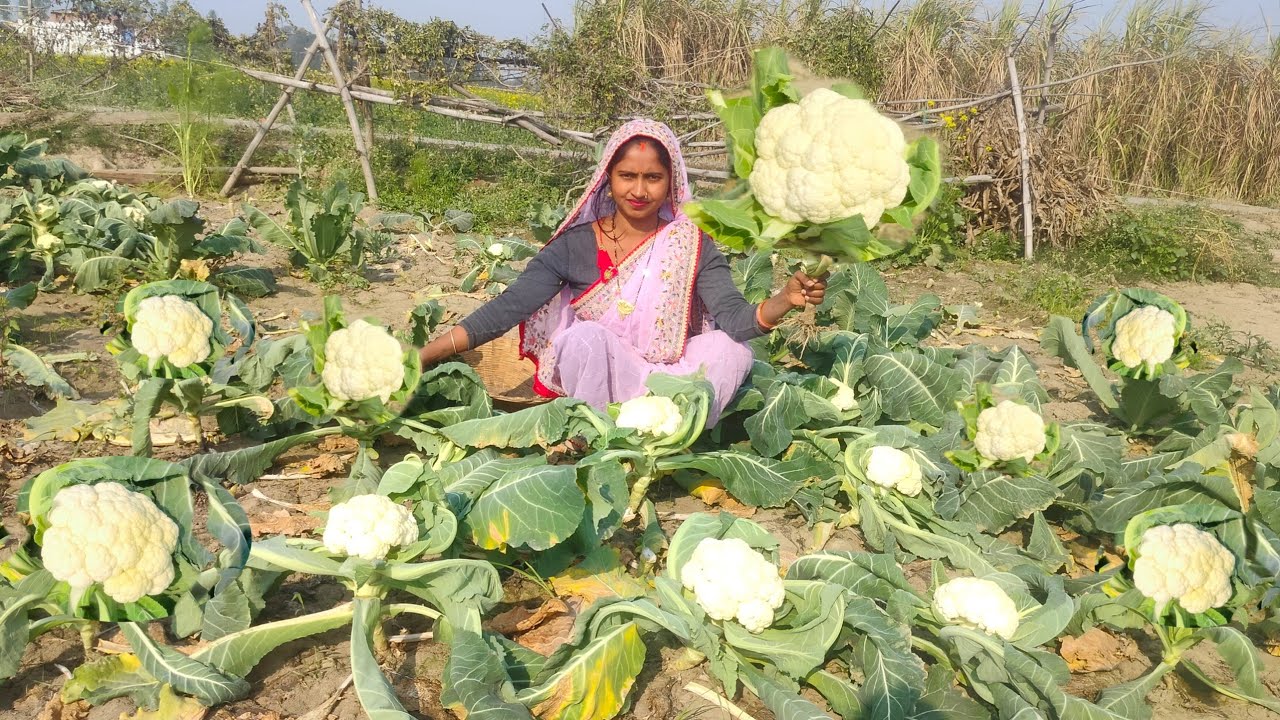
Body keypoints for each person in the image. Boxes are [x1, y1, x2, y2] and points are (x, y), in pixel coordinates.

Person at [417, 119, 826, 426]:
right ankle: (593, 430)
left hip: (672, 381)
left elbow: (736, 319)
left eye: (653, 178)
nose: (639, 190)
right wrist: (421, 357)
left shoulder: (689, 242)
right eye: (627, 176)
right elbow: (508, 308)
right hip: (604, 376)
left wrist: (784, 301)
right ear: (607, 180)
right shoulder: (576, 244)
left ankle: (668, 432)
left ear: (671, 183)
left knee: (731, 351)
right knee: (581, 340)